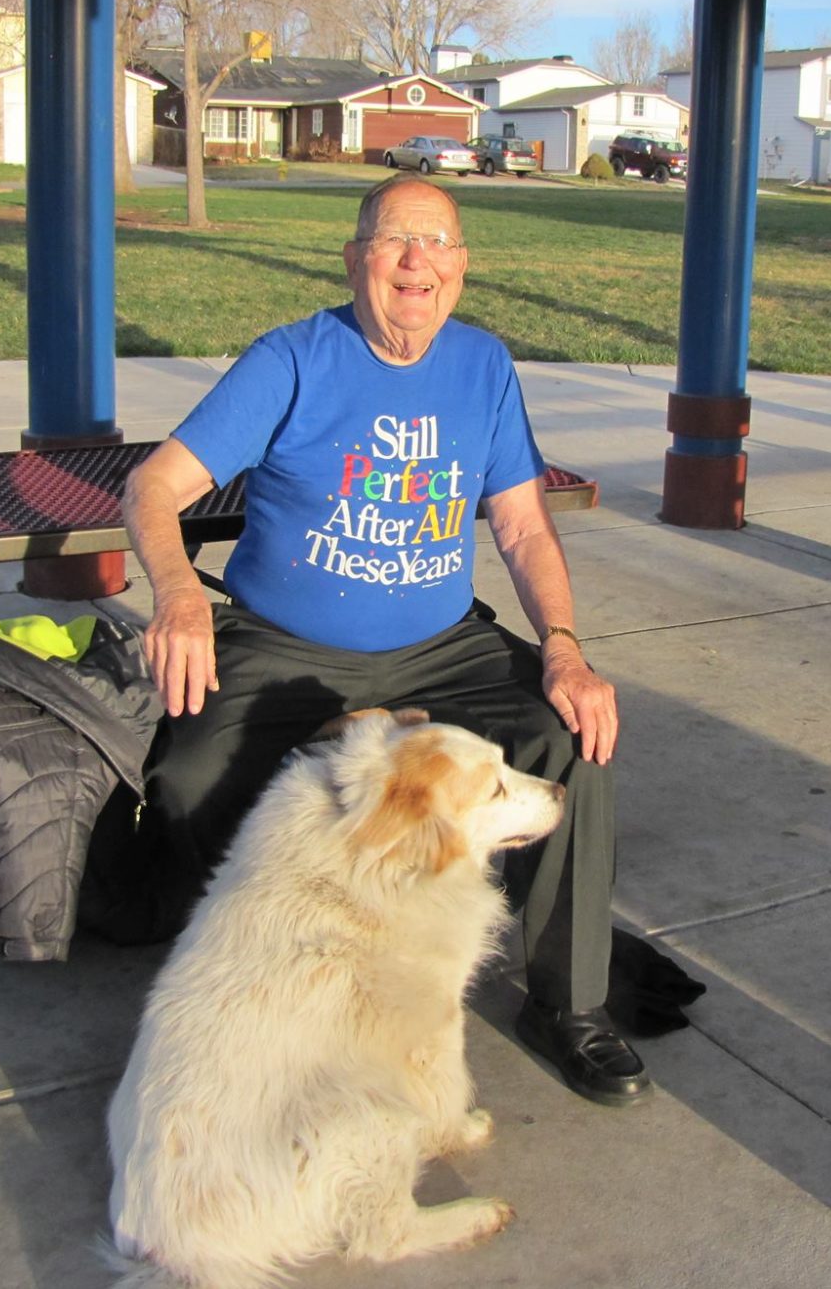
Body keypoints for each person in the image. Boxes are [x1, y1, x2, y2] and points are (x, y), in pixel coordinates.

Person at [121, 174, 649, 1105]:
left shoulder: (484, 367)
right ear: (356, 257)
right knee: (191, 769)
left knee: (569, 737)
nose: (418, 262)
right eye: (396, 240)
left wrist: (564, 645)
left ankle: (569, 1003)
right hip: (284, 642)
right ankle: (259, 986)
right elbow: (154, 488)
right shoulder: (291, 360)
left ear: (462, 269)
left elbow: (523, 527)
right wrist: (178, 597)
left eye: (438, 244)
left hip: (442, 643)